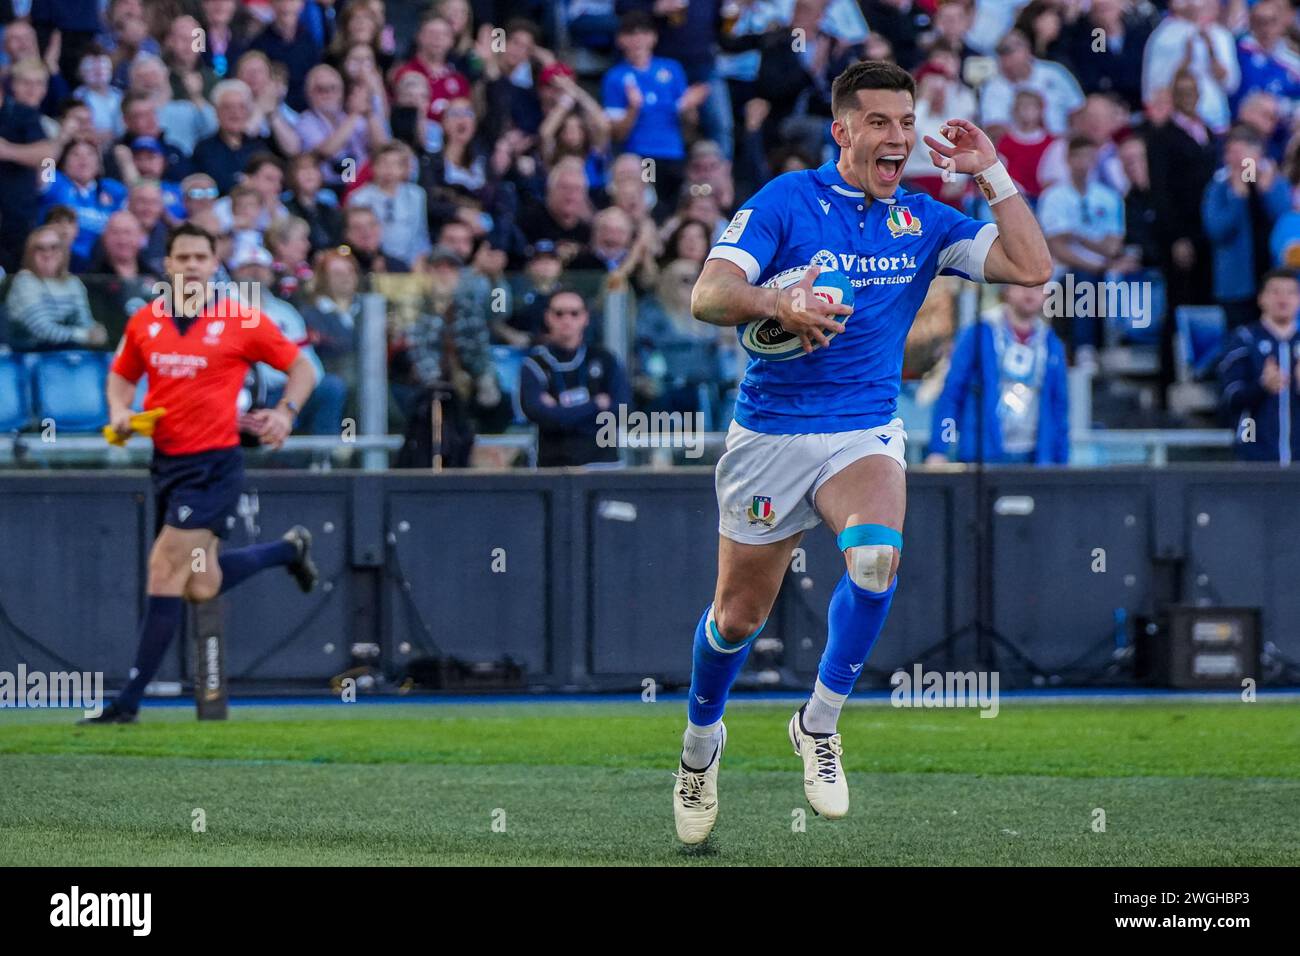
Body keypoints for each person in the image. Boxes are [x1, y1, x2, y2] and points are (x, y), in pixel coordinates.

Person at [675, 60, 1051, 843]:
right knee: (737, 618)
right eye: (880, 123)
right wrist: (780, 300)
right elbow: (708, 296)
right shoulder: (787, 201)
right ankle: (701, 744)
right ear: (841, 130)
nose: (899, 138)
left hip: (864, 430)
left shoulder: (922, 220)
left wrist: (993, 174)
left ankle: (818, 723)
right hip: (771, 435)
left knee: (876, 560)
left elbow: (1032, 268)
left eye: (907, 124)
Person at [82, 222, 320, 724]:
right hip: (167, 463)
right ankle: (286, 550)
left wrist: (285, 413)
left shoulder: (242, 320)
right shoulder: (145, 322)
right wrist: (119, 413)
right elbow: (122, 376)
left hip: (213, 465)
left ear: (215, 266)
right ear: (167, 265)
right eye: (182, 257)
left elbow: (303, 369)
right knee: (201, 583)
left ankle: (126, 705)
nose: (191, 266)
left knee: (163, 568)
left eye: (200, 258)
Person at [925, 284, 1069, 465]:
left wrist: (1061, 459)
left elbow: (1059, 408)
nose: (1030, 292)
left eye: (1039, 287)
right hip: (983, 458)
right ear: (1006, 289)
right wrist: (939, 449)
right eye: (1022, 284)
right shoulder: (978, 334)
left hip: (1034, 457)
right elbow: (952, 394)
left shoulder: (1052, 344)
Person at [519, 288, 631, 467]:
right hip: (553, 468)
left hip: (603, 465)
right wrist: (595, 405)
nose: (566, 320)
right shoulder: (534, 364)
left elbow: (623, 410)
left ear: (585, 317)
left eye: (574, 313)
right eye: (559, 313)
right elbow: (541, 415)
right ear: (548, 317)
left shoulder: (605, 358)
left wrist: (561, 411)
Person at [1218, 268, 1300, 464]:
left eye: (1291, 292)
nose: (1283, 298)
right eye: (1275, 292)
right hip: (1255, 458)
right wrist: (1262, 387)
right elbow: (1229, 398)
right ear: (1261, 298)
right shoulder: (1244, 340)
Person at [4, 225, 104, 350]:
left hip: (65, 356)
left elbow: (84, 321)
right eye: (40, 248)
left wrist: (95, 331)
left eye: (54, 247)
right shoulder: (24, 281)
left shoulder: (73, 282)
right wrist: (84, 335)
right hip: (27, 358)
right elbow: (42, 330)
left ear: (63, 252)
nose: (47, 254)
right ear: (30, 253)